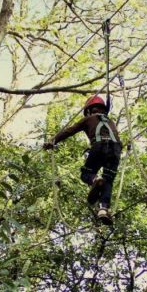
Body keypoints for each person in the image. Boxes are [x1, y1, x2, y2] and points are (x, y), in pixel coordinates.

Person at [44, 95, 122, 225]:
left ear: (89, 110)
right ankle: (103, 209)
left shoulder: (88, 119)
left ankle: (95, 179)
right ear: (103, 109)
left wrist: (53, 141)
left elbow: (69, 131)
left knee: (86, 173)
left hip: (99, 146)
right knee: (108, 180)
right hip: (116, 150)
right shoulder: (111, 122)